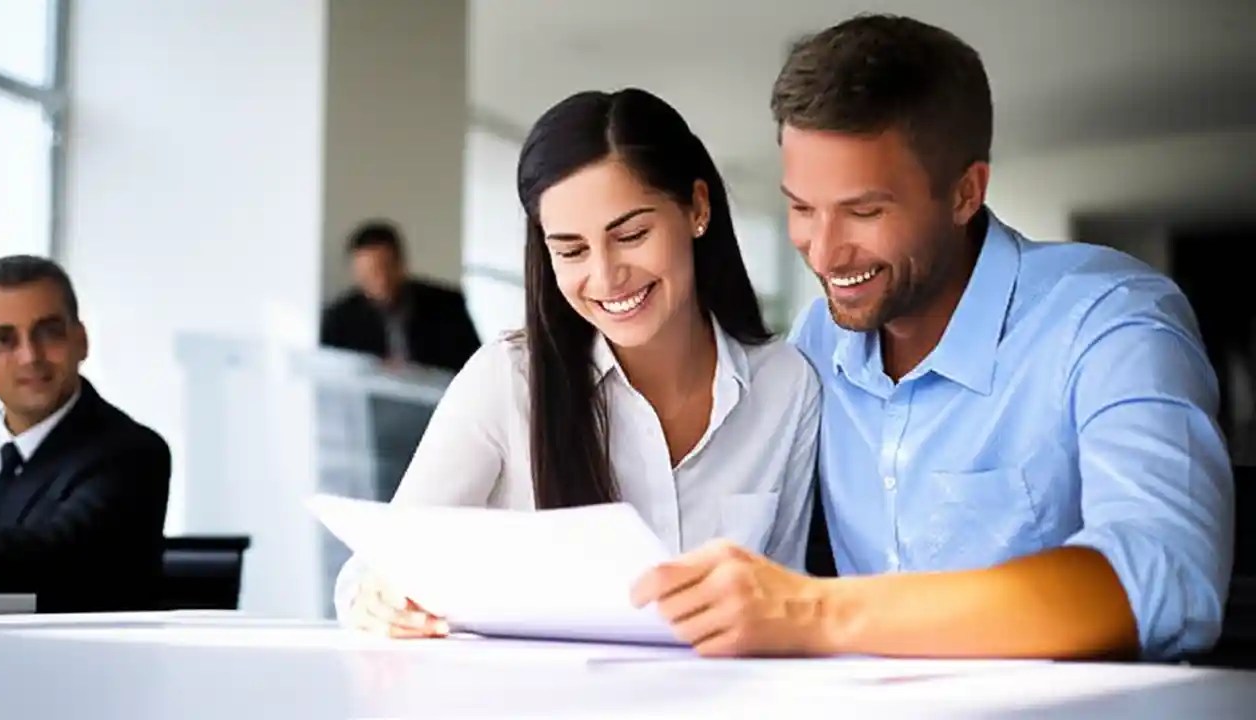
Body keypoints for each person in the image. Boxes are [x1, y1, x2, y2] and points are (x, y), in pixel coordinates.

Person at [632, 14, 1233, 661]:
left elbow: (1167, 578)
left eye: (865, 211)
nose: (826, 251)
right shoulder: (816, 345)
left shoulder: (1109, 320)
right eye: (802, 208)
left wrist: (813, 610)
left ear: (965, 192)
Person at [338, 88, 821, 637]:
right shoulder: (508, 380)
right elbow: (374, 571)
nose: (607, 276)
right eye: (571, 251)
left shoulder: (785, 386)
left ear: (698, 208)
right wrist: (378, 597)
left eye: (632, 235)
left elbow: (787, 595)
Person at [0, 255, 171, 612]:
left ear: (81, 341)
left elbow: (56, 558)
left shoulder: (132, 453)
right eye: (4, 340)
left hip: (70, 665)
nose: (29, 356)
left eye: (48, 332)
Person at [320, 221, 481, 373]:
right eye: (367, 275)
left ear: (401, 264)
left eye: (384, 269)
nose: (379, 281)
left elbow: (472, 364)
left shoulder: (448, 306)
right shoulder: (340, 319)